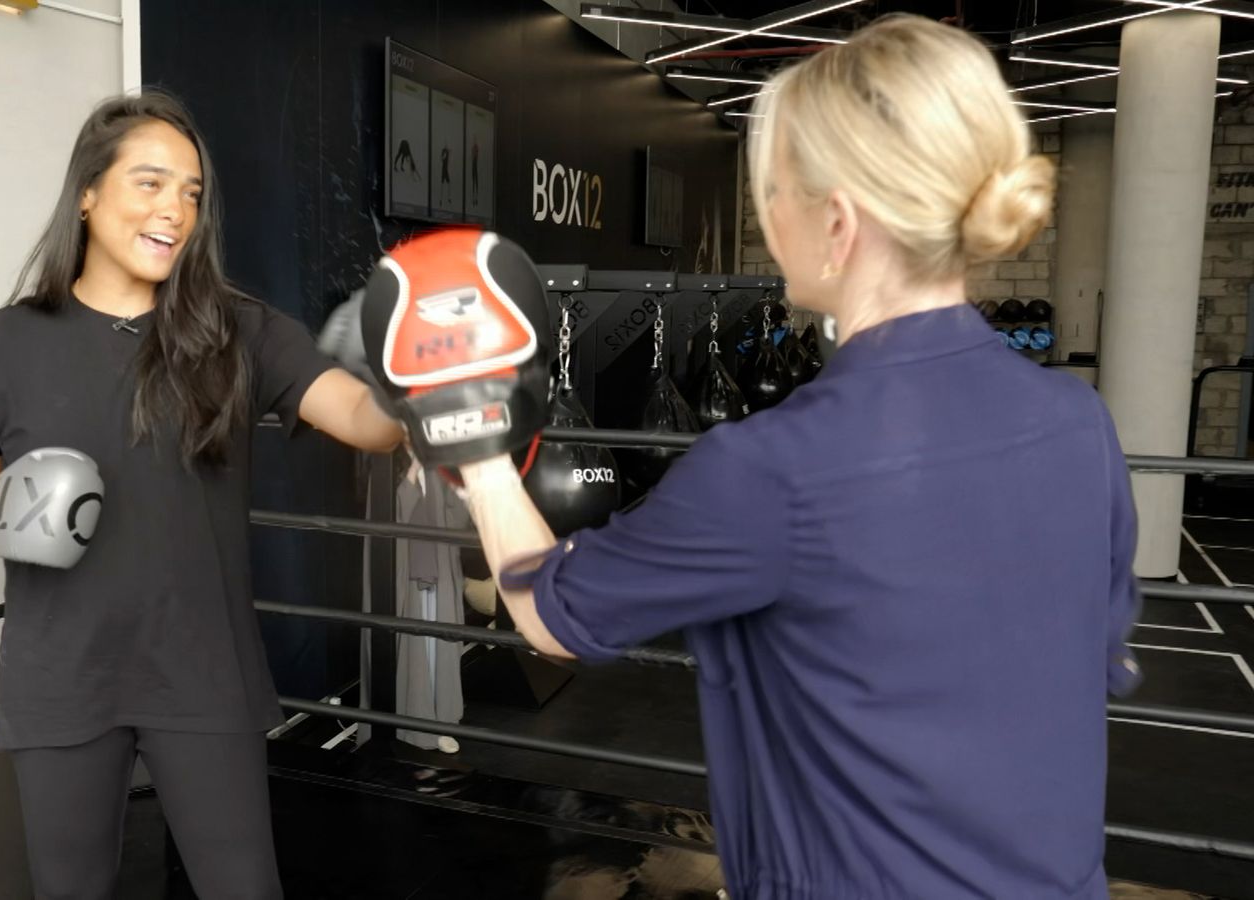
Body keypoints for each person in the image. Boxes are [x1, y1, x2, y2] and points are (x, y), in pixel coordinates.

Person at [437, 15, 1140, 899]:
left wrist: (475, 445)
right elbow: (1087, 658)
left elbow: (550, 613)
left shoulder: (775, 466)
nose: (767, 219)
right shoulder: (1081, 424)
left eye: (773, 191)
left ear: (838, 223)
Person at [0, 91, 401, 900]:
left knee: (243, 888)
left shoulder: (240, 330)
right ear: (88, 192)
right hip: (61, 674)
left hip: (201, 670)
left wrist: (429, 377)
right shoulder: (1, 343)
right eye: (150, 183)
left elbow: (365, 421)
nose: (175, 211)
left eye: (190, 193)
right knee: (69, 889)